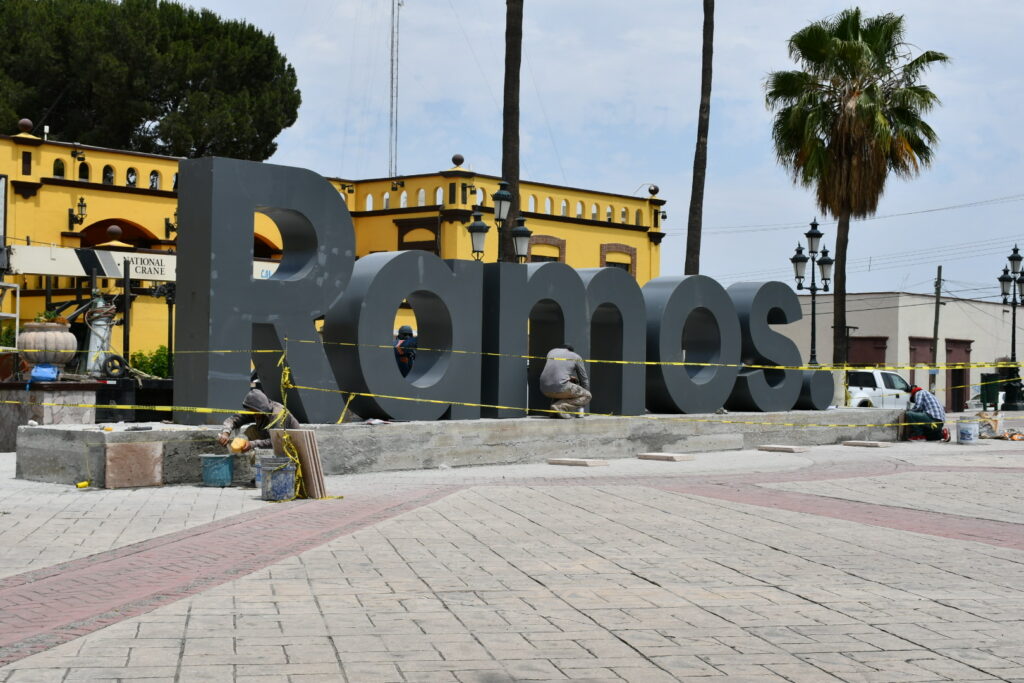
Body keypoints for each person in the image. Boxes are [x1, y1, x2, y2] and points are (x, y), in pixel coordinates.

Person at [217, 375, 300, 451]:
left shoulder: (277, 414)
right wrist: (226, 433)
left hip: (291, 444)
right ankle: (242, 458)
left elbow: (277, 441)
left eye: (255, 412)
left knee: (253, 437)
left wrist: (252, 444)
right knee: (251, 431)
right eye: (251, 411)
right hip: (270, 436)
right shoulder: (255, 410)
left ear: (261, 409)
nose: (253, 414)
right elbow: (233, 419)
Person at [539, 344, 591, 418]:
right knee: (587, 396)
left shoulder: (551, 352)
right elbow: (584, 379)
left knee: (563, 385)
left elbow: (555, 371)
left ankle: (554, 413)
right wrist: (582, 398)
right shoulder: (575, 356)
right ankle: (560, 407)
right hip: (560, 387)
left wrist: (568, 378)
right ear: (571, 351)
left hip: (544, 389)